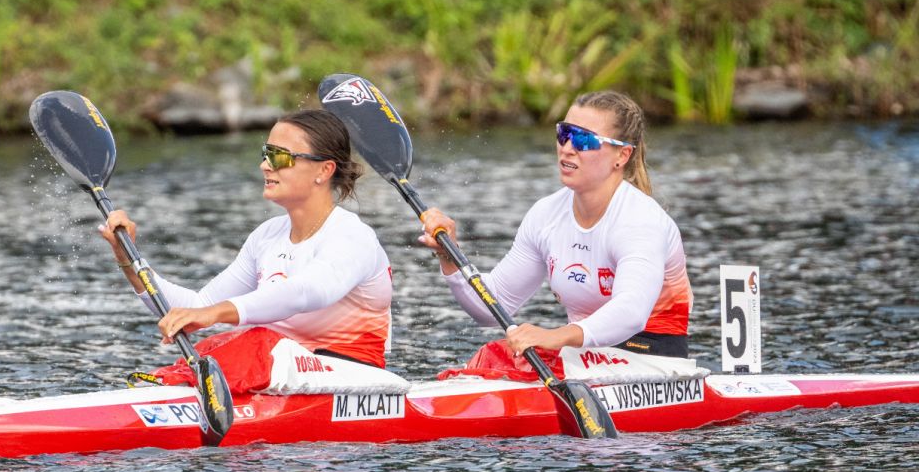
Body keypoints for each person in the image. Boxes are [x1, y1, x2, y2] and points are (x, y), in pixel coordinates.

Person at [100, 109, 394, 368]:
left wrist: (216, 313)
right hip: (273, 373)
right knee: (232, 347)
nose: (265, 166)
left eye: (279, 157)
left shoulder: (353, 237)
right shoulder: (266, 236)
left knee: (252, 342)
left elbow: (308, 292)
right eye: (265, 154)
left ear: (324, 170)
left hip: (350, 375)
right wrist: (129, 261)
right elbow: (197, 304)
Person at [419, 90, 693, 359]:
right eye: (564, 134)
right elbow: (493, 305)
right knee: (492, 354)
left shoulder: (640, 220)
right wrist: (450, 256)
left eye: (584, 140)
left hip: (651, 356)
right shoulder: (546, 215)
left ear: (621, 156)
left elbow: (632, 312)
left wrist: (554, 336)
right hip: (583, 356)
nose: (567, 148)